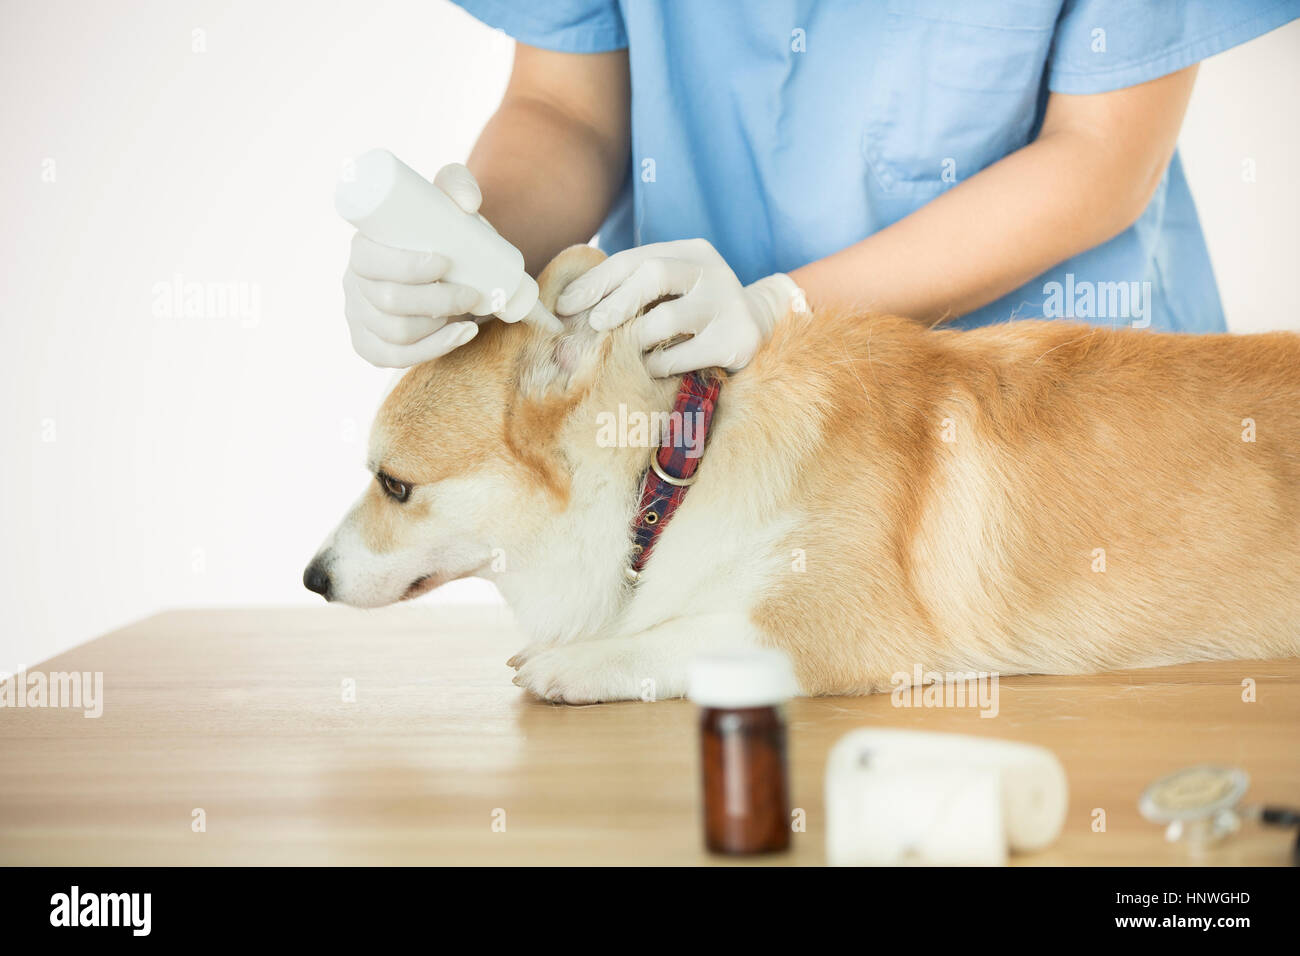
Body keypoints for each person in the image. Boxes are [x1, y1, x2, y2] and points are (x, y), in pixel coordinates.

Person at [342, 0, 1298, 374]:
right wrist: (470, 245)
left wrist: (788, 309)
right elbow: (570, 108)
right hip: (703, 412)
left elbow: (1099, 157)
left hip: (1052, 408)